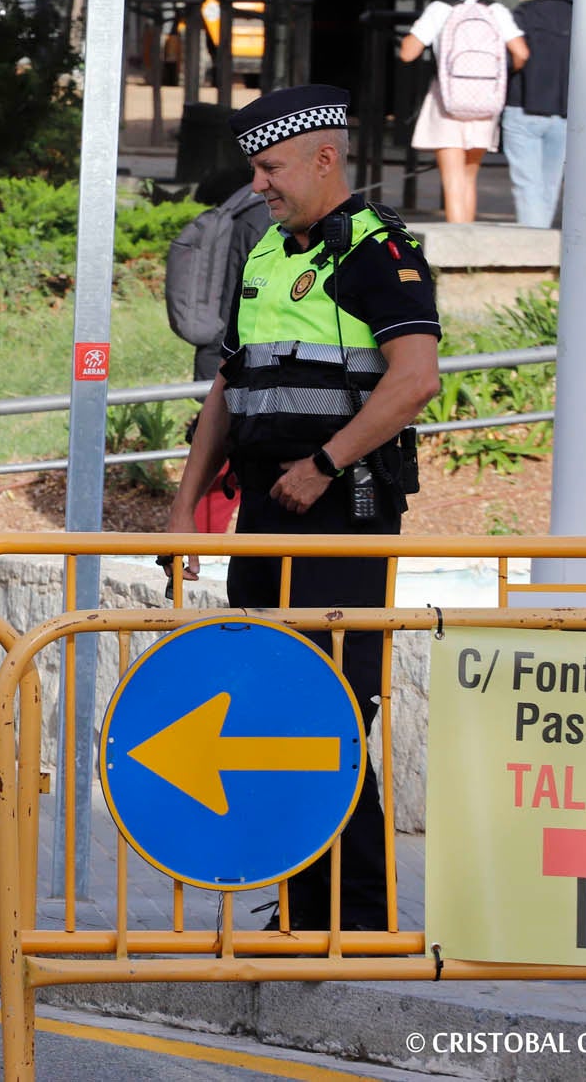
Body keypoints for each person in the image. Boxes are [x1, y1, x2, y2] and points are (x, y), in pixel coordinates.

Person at [164, 85, 442, 932]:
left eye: (271, 166)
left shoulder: (377, 249)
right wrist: (184, 508)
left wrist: (325, 463)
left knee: (332, 708)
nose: (259, 184)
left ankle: (354, 917)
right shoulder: (270, 254)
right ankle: (300, 905)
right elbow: (230, 385)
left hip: (343, 517)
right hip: (268, 514)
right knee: (272, 703)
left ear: (326, 158)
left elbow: (415, 379)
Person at [399, 0, 529, 224]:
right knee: (469, 179)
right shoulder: (495, 10)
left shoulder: (440, 9)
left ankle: (457, 253)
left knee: (453, 181)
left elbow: (407, 53)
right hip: (484, 100)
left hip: (448, 101)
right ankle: (468, 251)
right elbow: (521, 53)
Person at [501, 0, 573, 229]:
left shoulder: (522, 14)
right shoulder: (580, 15)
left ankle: (534, 247)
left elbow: (510, 59)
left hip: (524, 106)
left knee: (527, 184)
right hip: (565, 111)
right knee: (550, 184)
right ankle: (543, 247)